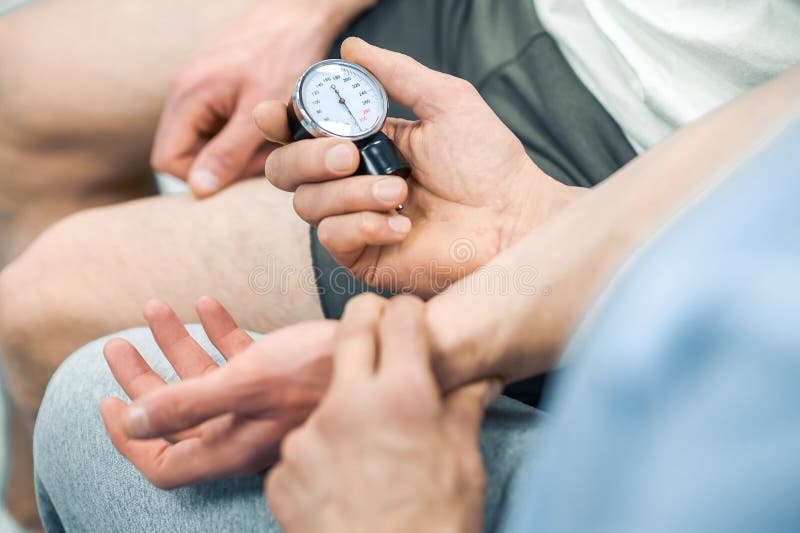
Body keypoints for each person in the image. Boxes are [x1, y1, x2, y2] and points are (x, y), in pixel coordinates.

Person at [2, 0, 798, 525]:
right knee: (18, 85)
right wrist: (297, 15)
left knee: (50, 320)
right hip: (527, 31)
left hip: (634, 154)